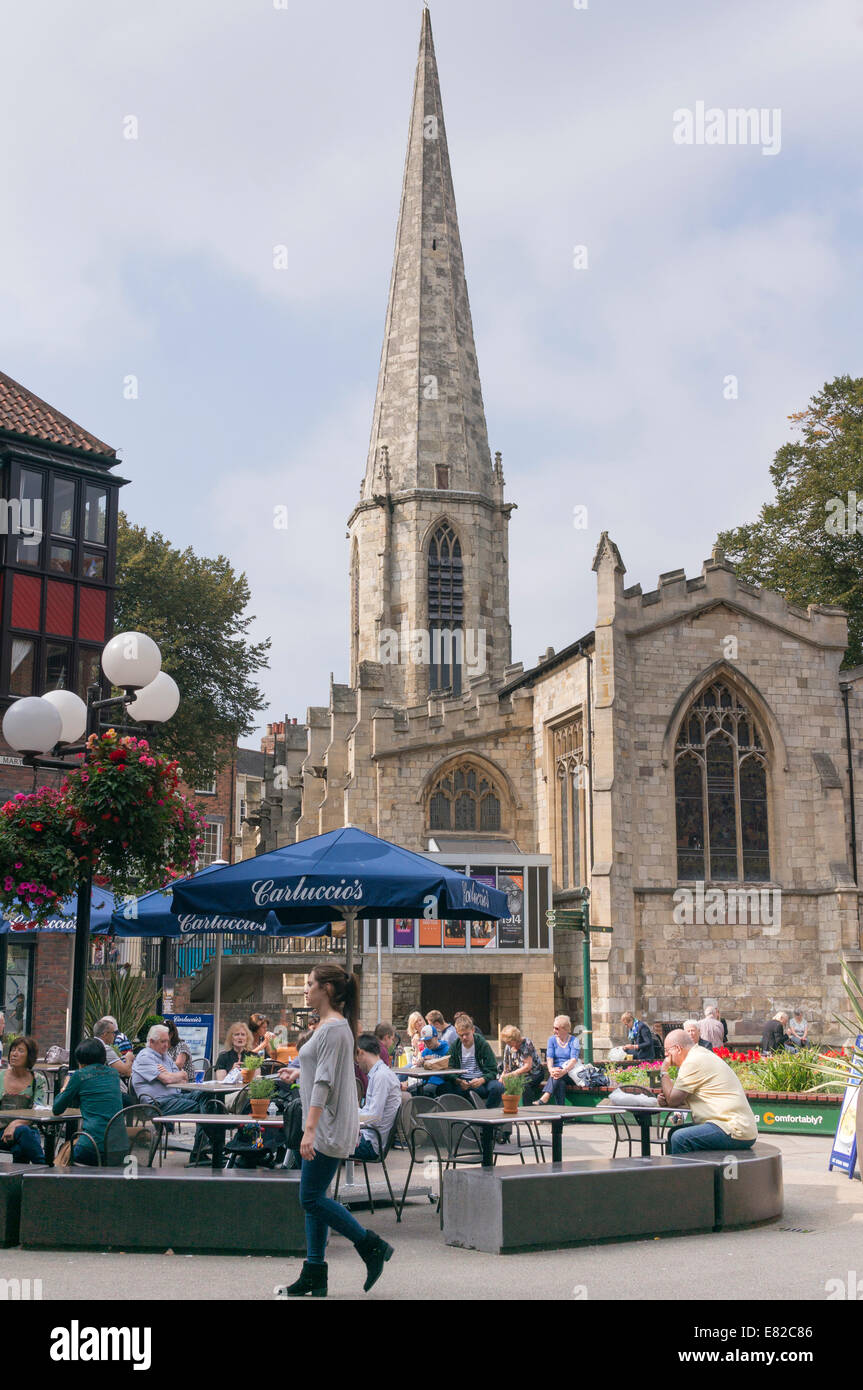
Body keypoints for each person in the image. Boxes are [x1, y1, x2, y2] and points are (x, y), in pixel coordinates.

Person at [278, 963, 394, 1299]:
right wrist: (298, 1075)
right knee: (317, 1199)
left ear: (326, 989)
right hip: (331, 1122)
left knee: (310, 1198)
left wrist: (309, 1130)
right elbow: (323, 1073)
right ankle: (315, 1273)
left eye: (310, 983)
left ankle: (370, 1244)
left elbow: (326, 1083)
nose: (305, 988)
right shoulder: (336, 1027)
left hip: (327, 1125)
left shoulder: (332, 1029)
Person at [659, 1029, 758, 1153]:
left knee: (679, 1138)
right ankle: (676, 1171)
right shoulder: (699, 1055)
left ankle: (687, 1172)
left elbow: (673, 1100)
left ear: (678, 1049)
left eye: (667, 1051)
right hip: (729, 1125)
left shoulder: (693, 1061)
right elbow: (681, 1100)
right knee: (674, 1132)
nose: (666, 1056)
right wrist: (667, 1100)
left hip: (734, 1128)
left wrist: (664, 1071)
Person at [53, 1038, 127, 1165]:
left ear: (80, 1061)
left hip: (93, 1147)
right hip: (120, 1149)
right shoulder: (114, 1074)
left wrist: (65, 1088)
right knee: (70, 1146)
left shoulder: (80, 1075)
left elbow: (57, 1109)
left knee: (64, 1150)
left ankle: (57, 1181)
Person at [130, 1025, 202, 1115]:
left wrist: (170, 1075)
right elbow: (168, 1079)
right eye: (163, 1041)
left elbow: (184, 1080)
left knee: (204, 1096)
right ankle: (213, 1128)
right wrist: (177, 1075)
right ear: (152, 1041)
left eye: (167, 1041)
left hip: (174, 1097)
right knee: (199, 1106)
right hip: (156, 1103)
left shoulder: (165, 1057)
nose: (166, 1045)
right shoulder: (145, 1057)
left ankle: (213, 1128)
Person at [352, 1033, 402, 1159]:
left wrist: (348, 1118)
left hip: (370, 1144)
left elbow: (374, 1116)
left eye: (356, 1060)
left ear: (360, 1052)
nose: (357, 1064)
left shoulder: (381, 1076)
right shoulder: (380, 1074)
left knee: (320, 1143)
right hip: (368, 1138)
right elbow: (371, 1113)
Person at [0, 1036, 46, 1164]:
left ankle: (17, 1182)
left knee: (20, 1147)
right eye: (13, 1050)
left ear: (29, 1056)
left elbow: (37, 1110)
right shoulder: (0, 1076)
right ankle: (45, 1168)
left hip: (25, 1130)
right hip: (1, 1132)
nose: (14, 1054)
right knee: (25, 1133)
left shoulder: (38, 1080)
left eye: (20, 1050)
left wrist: (14, 1124)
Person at [447, 1014, 503, 1108]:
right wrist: (458, 1081)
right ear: (457, 1033)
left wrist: (482, 1080)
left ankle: (487, 1113)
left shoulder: (482, 1044)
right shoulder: (455, 1046)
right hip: (462, 1082)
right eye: (461, 1035)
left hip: (481, 1080)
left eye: (467, 1034)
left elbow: (493, 1070)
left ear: (473, 1030)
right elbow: (448, 1069)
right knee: (443, 1088)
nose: (464, 1037)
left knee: (498, 1087)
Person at [537, 1014, 581, 1104]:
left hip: (569, 1072)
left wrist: (563, 1071)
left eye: (557, 1028)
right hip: (556, 1073)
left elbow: (574, 1060)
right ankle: (561, 1113)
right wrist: (551, 1070)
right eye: (553, 1028)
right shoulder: (551, 1040)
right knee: (559, 1081)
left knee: (558, 1076)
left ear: (565, 1029)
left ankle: (546, 1095)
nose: (554, 1031)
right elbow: (549, 1058)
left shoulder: (574, 1041)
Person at [500, 1025, 545, 1105]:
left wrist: (511, 1074)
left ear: (515, 1039)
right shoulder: (508, 1046)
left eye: (509, 1042)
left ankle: (528, 1109)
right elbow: (506, 1065)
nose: (507, 1044)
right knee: (500, 1084)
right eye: (506, 1042)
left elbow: (527, 1066)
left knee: (524, 1085)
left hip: (534, 1073)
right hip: (517, 1075)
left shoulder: (526, 1044)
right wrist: (503, 1076)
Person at [92, 1016, 135, 1085]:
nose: (114, 1035)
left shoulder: (89, 1044)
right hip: (107, 1086)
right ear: (105, 1034)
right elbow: (126, 1071)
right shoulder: (105, 1049)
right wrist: (128, 1058)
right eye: (113, 1033)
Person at [413, 1024, 451, 1096]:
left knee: (418, 1093)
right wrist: (420, 1063)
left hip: (439, 1082)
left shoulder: (446, 1050)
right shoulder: (426, 1051)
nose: (427, 1044)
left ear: (436, 1038)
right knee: (408, 1090)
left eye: (429, 1041)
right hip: (425, 1081)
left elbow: (449, 1069)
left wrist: (435, 1061)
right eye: (425, 1041)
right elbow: (420, 1070)